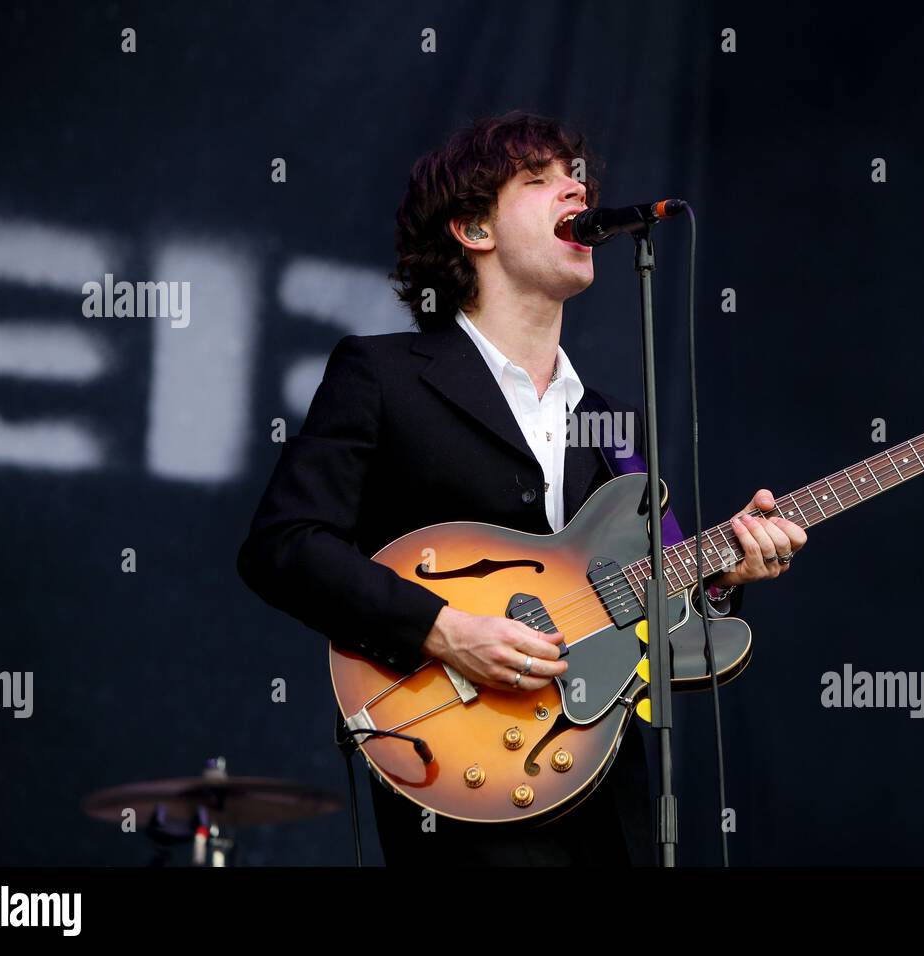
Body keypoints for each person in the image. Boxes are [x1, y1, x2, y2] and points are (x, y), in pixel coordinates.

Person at [237, 110, 806, 866]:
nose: (576, 186)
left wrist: (726, 575)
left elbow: (662, 610)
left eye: (577, 175)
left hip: (607, 792)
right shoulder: (384, 375)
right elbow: (283, 545)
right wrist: (443, 628)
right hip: (464, 765)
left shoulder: (608, 422)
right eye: (540, 180)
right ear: (475, 230)